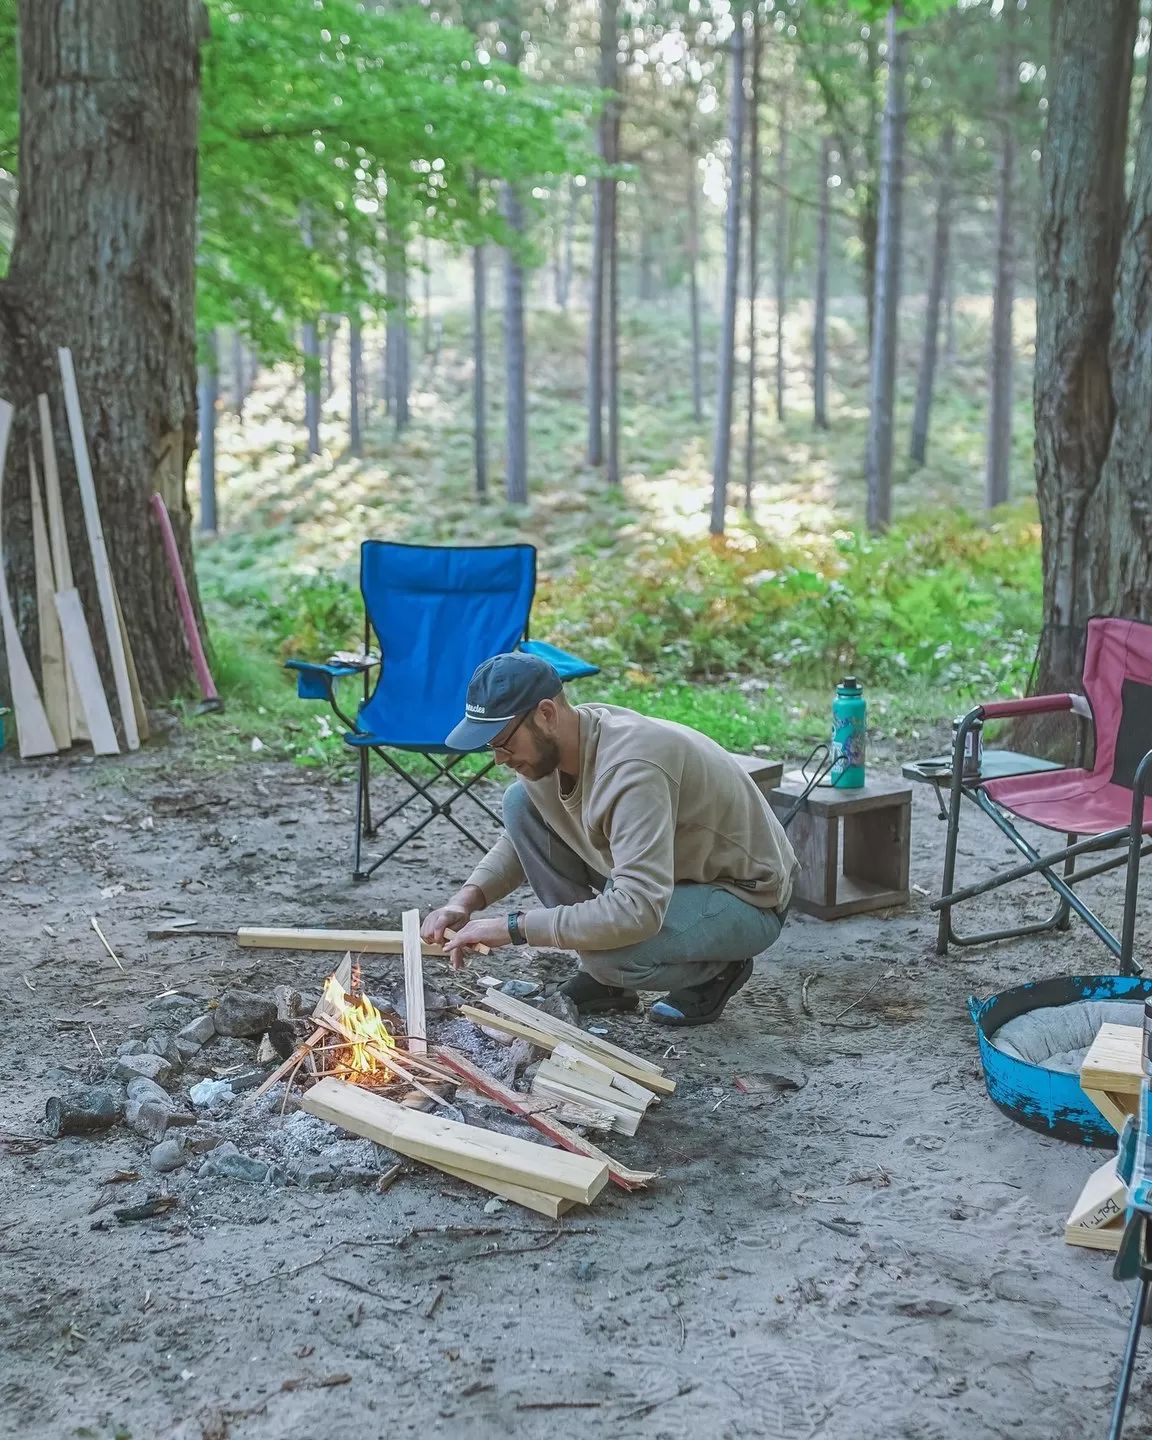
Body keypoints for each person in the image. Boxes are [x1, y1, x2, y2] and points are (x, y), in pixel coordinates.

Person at [422, 652, 799, 1027]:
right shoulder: (557, 747)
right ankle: (608, 980)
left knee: (610, 958)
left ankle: (714, 969)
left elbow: (637, 908)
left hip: (744, 898)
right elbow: (522, 843)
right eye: (491, 747)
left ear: (546, 714)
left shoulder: (632, 768)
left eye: (503, 742)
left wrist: (515, 927)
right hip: (670, 878)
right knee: (520, 801)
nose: (500, 760)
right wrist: (465, 900)